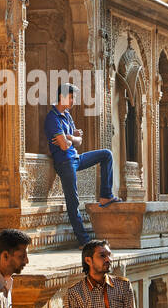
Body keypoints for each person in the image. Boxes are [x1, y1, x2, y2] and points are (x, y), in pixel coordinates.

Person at [45, 83, 121, 247]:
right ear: (62, 97)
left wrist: (70, 137)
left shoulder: (67, 116)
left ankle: (106, 195)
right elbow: (64, 147)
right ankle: (84, 241)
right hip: (65, 163)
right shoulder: (52, 118)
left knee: (106, 155)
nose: (73, 101)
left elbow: (77, 142)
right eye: (71, 97)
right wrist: (70, 139)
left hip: (76, 158)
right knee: (73, 203)